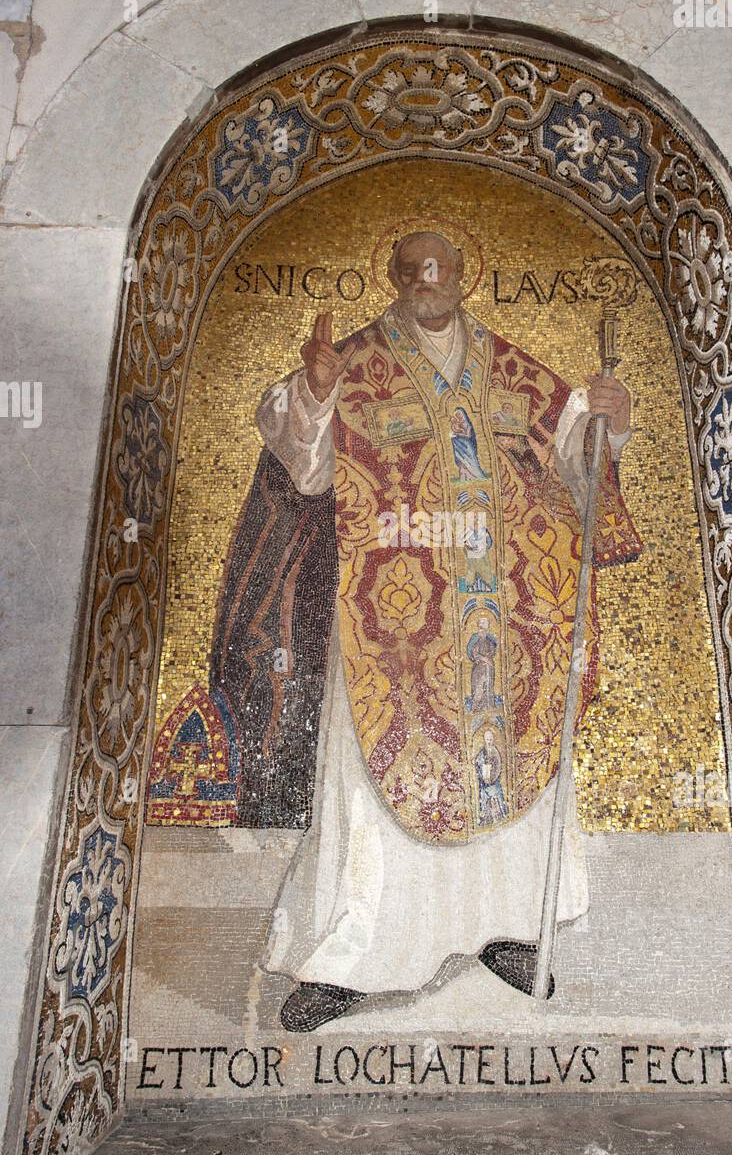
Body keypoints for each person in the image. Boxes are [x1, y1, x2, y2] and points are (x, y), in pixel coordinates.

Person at [211, 230, 642, 1031]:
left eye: (441, 271)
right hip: (391, 626)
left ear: (464, 278)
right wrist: (314, 396)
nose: (428, 283)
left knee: (506, 768)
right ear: (394, 277)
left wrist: (607, 425)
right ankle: (350, 957)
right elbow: (303, 465)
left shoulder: (515, 371)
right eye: (413, 272)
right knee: (372, 786)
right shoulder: (351, 364)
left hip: (509, 621)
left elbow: (577, 466)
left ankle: (507, 929)